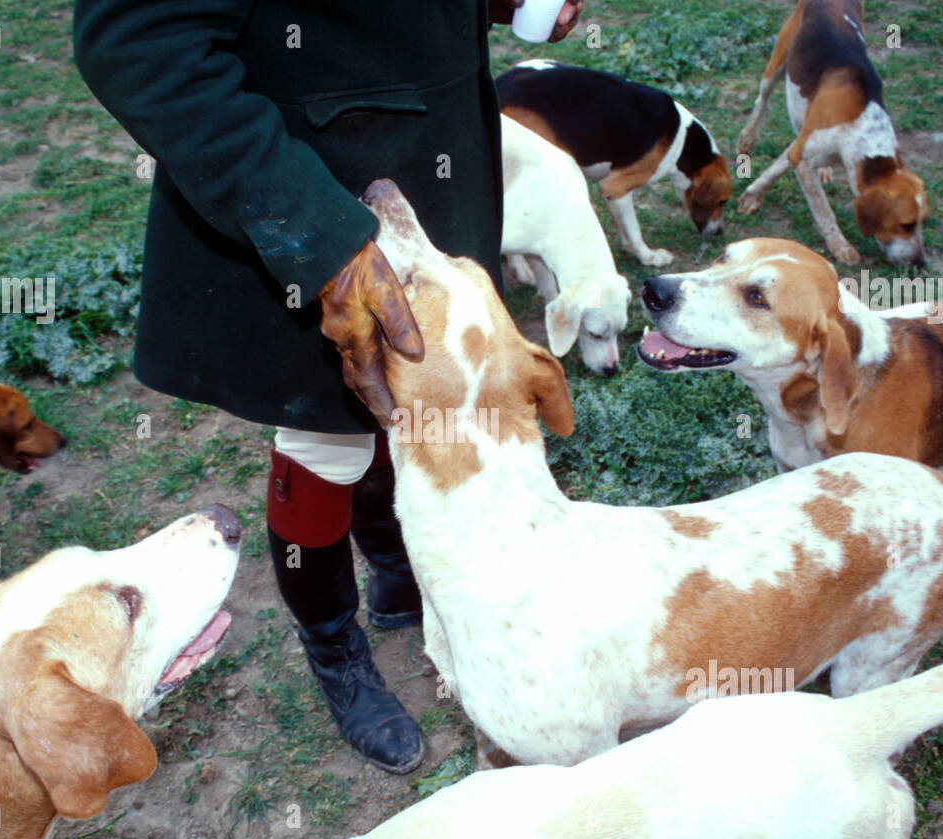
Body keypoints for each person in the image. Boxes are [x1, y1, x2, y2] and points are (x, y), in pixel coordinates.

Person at [73, 0, 582, 774]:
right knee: (322, 441)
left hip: (434, 154)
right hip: (315, 185)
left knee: (400, 412)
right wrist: (318, 238)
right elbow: (139, 42)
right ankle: (334, 643)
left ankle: (392, 566)